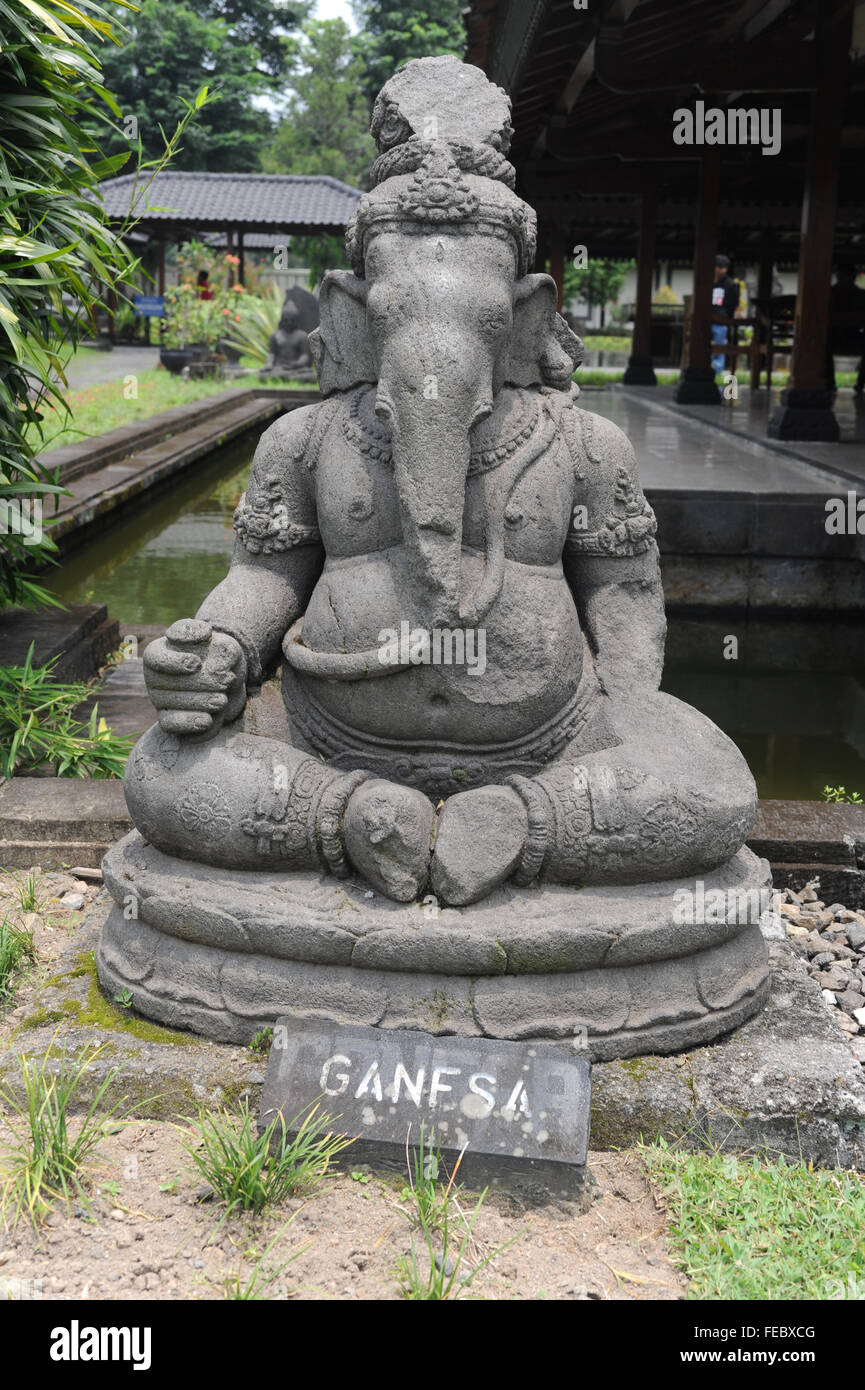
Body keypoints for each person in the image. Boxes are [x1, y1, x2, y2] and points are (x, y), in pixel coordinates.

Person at [826, 263, 865, 394]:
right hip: (834, 333)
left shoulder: (860, 295)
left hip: (852, 333)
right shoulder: (830, 293)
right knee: (823, 344)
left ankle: (860, 383)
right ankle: (829, 383)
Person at [711, 253, 739, 375]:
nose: (723, 270)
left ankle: (716, 374)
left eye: (725, 267)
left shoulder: (730, 284)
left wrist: (728, 318)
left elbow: (734, 304)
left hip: (721, 321)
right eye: (721, 267)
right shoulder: (706, 283)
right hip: (706, 320)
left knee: (719, 349)